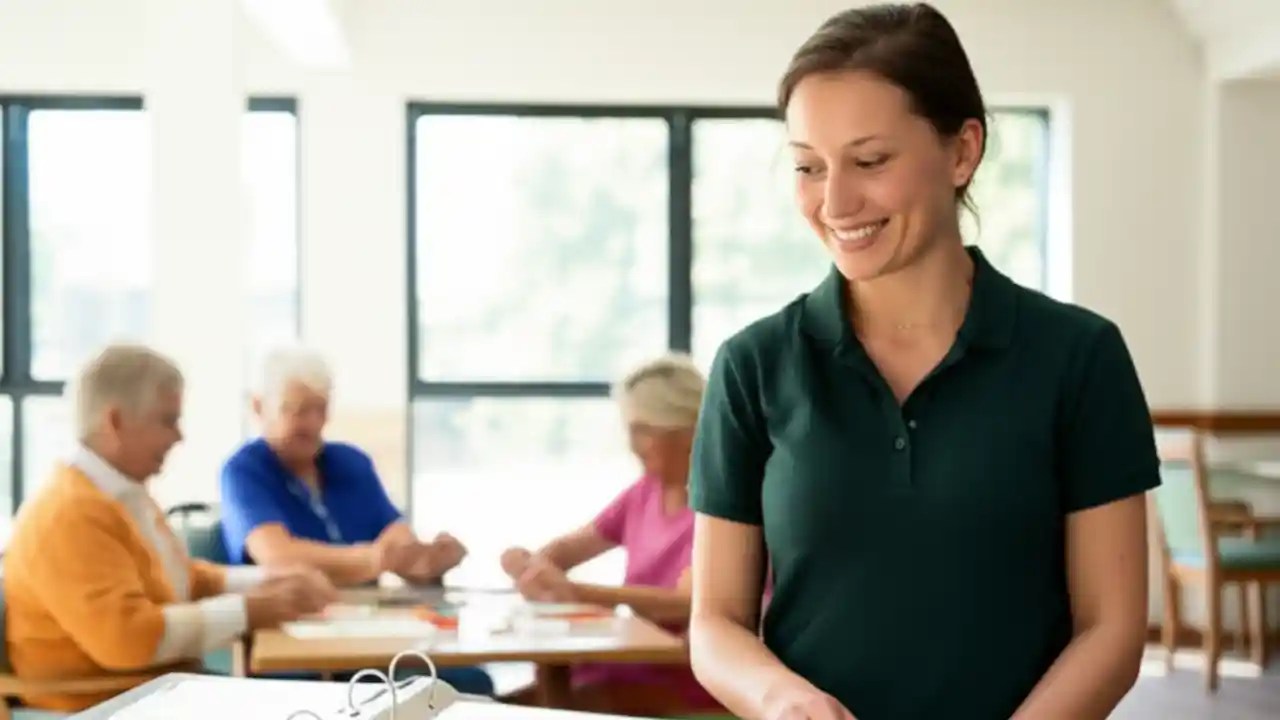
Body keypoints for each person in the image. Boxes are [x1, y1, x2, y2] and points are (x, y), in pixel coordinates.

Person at [686, 5, 1159, 720]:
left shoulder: (1079, 357)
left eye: (870, 161)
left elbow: (1112, 630)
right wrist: (782, 700)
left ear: (962, 152)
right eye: (809, 166)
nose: (835, 201)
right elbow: (715, 623)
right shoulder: (752, 365)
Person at [2, 344, 337, 713]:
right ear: (116, 422)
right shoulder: (69, 513)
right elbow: (129, 639)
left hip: (149, 691)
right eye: (167, 421)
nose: (179, 436)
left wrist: (269, 579)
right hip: (98, 705)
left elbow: (181, 579)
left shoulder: (121, 494)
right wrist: (250, 609)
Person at [218, 345, 493, 695]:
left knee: (469, 681)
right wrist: (375, 559)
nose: (312, 424)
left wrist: (425, 562)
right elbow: (278, 557)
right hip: (290, 640)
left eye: (321, 409)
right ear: (259, 407)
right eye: (298, 411)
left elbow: (398, 540)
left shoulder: (350, 462)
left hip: (368, 633)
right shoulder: (244, 470)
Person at [500, 353, 722, 716]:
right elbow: (566, 549)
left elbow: (686, 602)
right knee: (500, 705)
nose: (632, 444)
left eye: (643, 430)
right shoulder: (644, 493)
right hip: (633, 664)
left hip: (690, 674)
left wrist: (575, 592)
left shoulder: (721, 503)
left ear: (687, 430)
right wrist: (530, 565)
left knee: (545, 705)